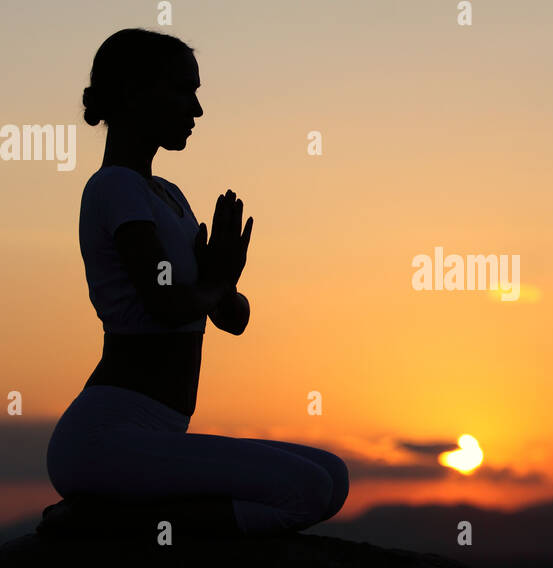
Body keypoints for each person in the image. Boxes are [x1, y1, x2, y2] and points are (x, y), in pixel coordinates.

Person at [46, 28, 347, 534]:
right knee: (307, 492)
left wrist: (221, 284)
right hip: (107, 436)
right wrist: (213, 284)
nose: (197, 110)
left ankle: (120, 518)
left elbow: (233, 318)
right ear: (134, 92)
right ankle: (110, 528)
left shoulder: (169, 195)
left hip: (155, 435)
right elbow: (166, 305)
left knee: (332, 475)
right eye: (185, 90)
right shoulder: (113, 187)